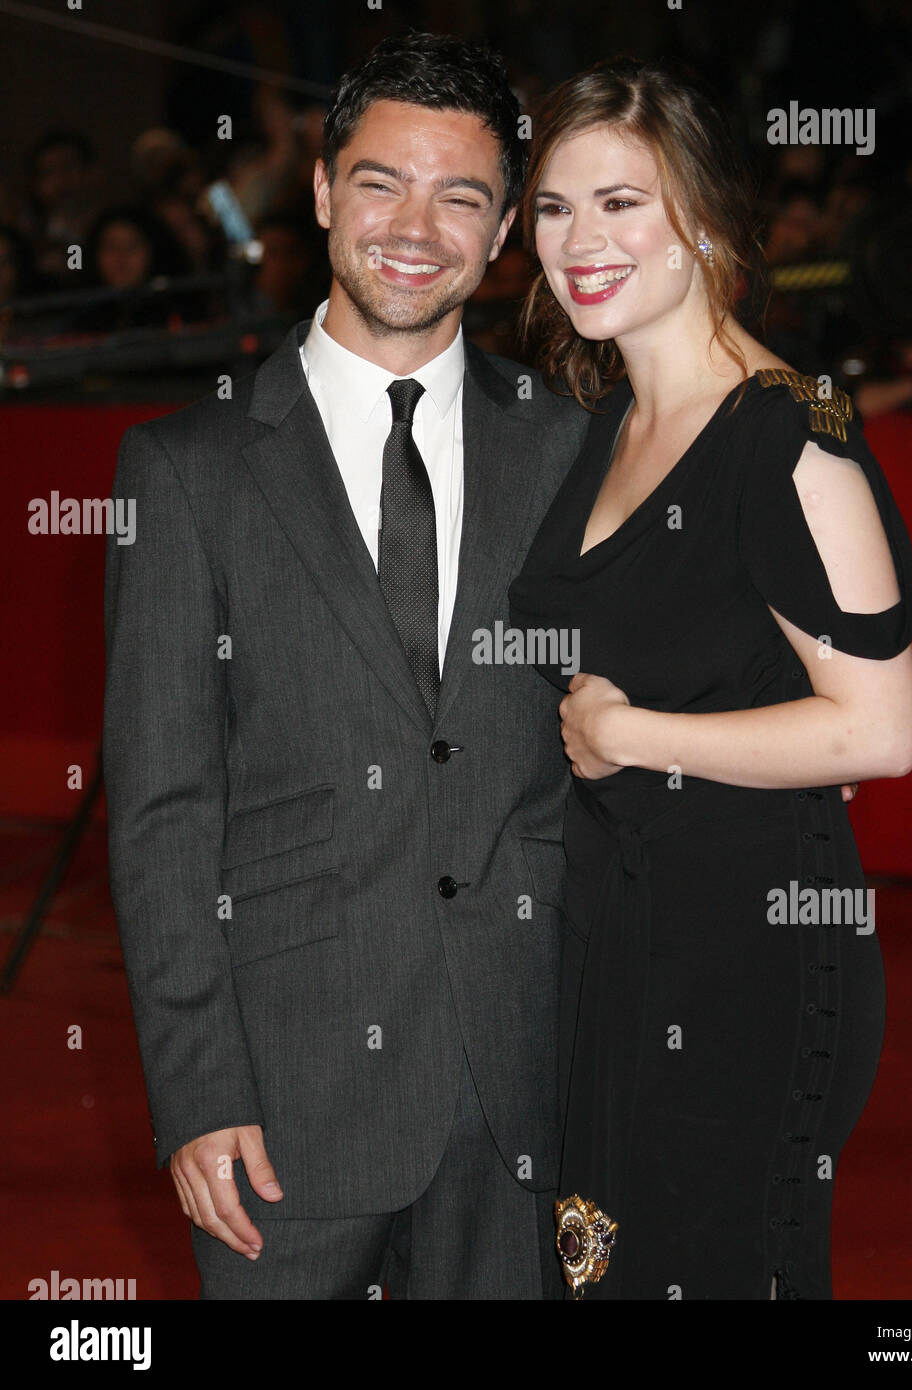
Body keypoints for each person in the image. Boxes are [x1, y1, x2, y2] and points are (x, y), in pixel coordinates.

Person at [103, 32, 588, 1300]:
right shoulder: (185, 470)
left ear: (500, 240)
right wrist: (197, 1090)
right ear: (321, 195)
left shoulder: (573, 453)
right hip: (283, 1106)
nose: (415, 226)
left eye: (462, 197)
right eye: (381, 183)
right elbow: (161, 809)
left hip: (520, 1095)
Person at [509, 58, 912, 1300]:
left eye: (620, 203)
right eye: (552, 208)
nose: (579, 241)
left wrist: (637, 731)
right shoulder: (603, 423)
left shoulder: (789, 440)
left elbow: (881, 727)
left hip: (749, 953)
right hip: (615, 942)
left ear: (699, 217)